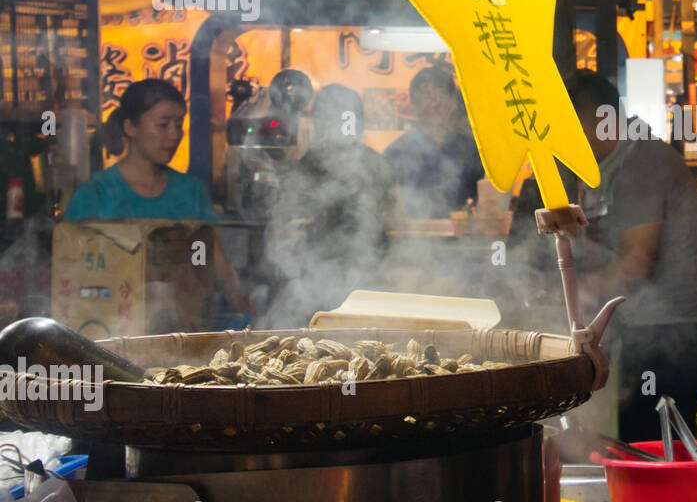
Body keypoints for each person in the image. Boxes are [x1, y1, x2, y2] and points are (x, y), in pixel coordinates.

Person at [565, 70, 697, 442]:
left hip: (676, 334)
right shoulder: (624, 161)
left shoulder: (640, 163)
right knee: (661, 443)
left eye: (570, 125)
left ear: (599, 119)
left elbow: (635, 263)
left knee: (650, 447)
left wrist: (575, 294)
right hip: (663, 330)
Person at [63, 78, 245, 304]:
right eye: (163, 124)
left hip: (184, 324)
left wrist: (241, 302)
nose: (174, 134)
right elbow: (71, 271)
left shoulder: (190, 193)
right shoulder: (96, 195)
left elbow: (211, 258)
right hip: (113, 321)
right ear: (130, 127)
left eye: (179, 124)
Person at [265, 84, 399, 324]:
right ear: (317, 122)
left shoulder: (377, 165)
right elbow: (285, 223)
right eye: (327, 116)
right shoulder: (305, 168)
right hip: (315, 278)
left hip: (369, 274)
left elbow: (393, 215)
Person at [383, 66, 483, 219]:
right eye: (427, 96)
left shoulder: (473, 150)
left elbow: (485, 204)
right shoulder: (395, 152)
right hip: (411, 239)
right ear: (414, 105)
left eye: (441, 96)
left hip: (464, 239)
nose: (435, 104)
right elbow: (386, 208)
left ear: (454, 101)